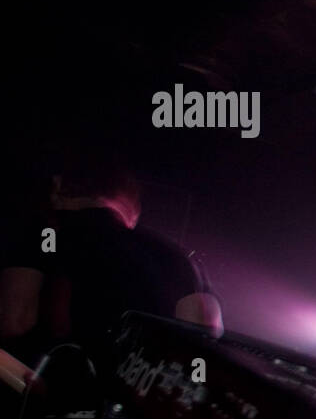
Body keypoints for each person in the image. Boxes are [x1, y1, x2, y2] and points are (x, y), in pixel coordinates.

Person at [0, 157, 223, 374]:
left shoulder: (48, 235)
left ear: (58, 186)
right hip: (132, 403)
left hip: (54, 396)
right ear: (131, 209)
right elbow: (204, 338)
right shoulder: (177, 256)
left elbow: (15, 320)